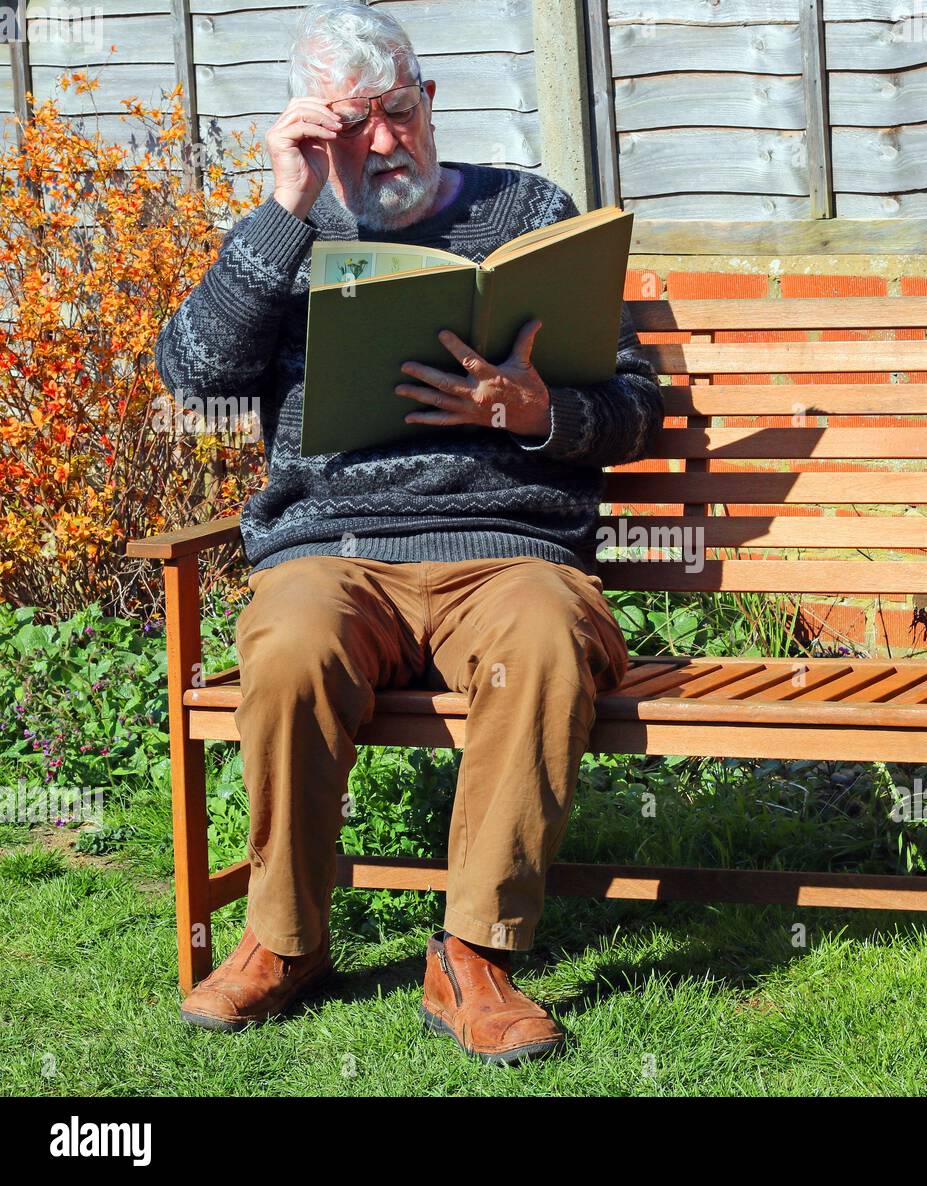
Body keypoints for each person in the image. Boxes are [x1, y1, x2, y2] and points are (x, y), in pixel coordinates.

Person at [154, 0, 663, 1065]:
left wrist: (537, 415)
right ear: (306, 131)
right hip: (332, 551)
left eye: (395, 113)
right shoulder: (286, 238)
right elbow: (195, 373)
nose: (380, 142)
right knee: (286, 644)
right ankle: (283, 941)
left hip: (509, 548)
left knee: (540, 644)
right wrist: (282, 210)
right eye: (346, 126)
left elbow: (634, 407)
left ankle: (472, 957)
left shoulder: (529, 210)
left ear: (428, 101)